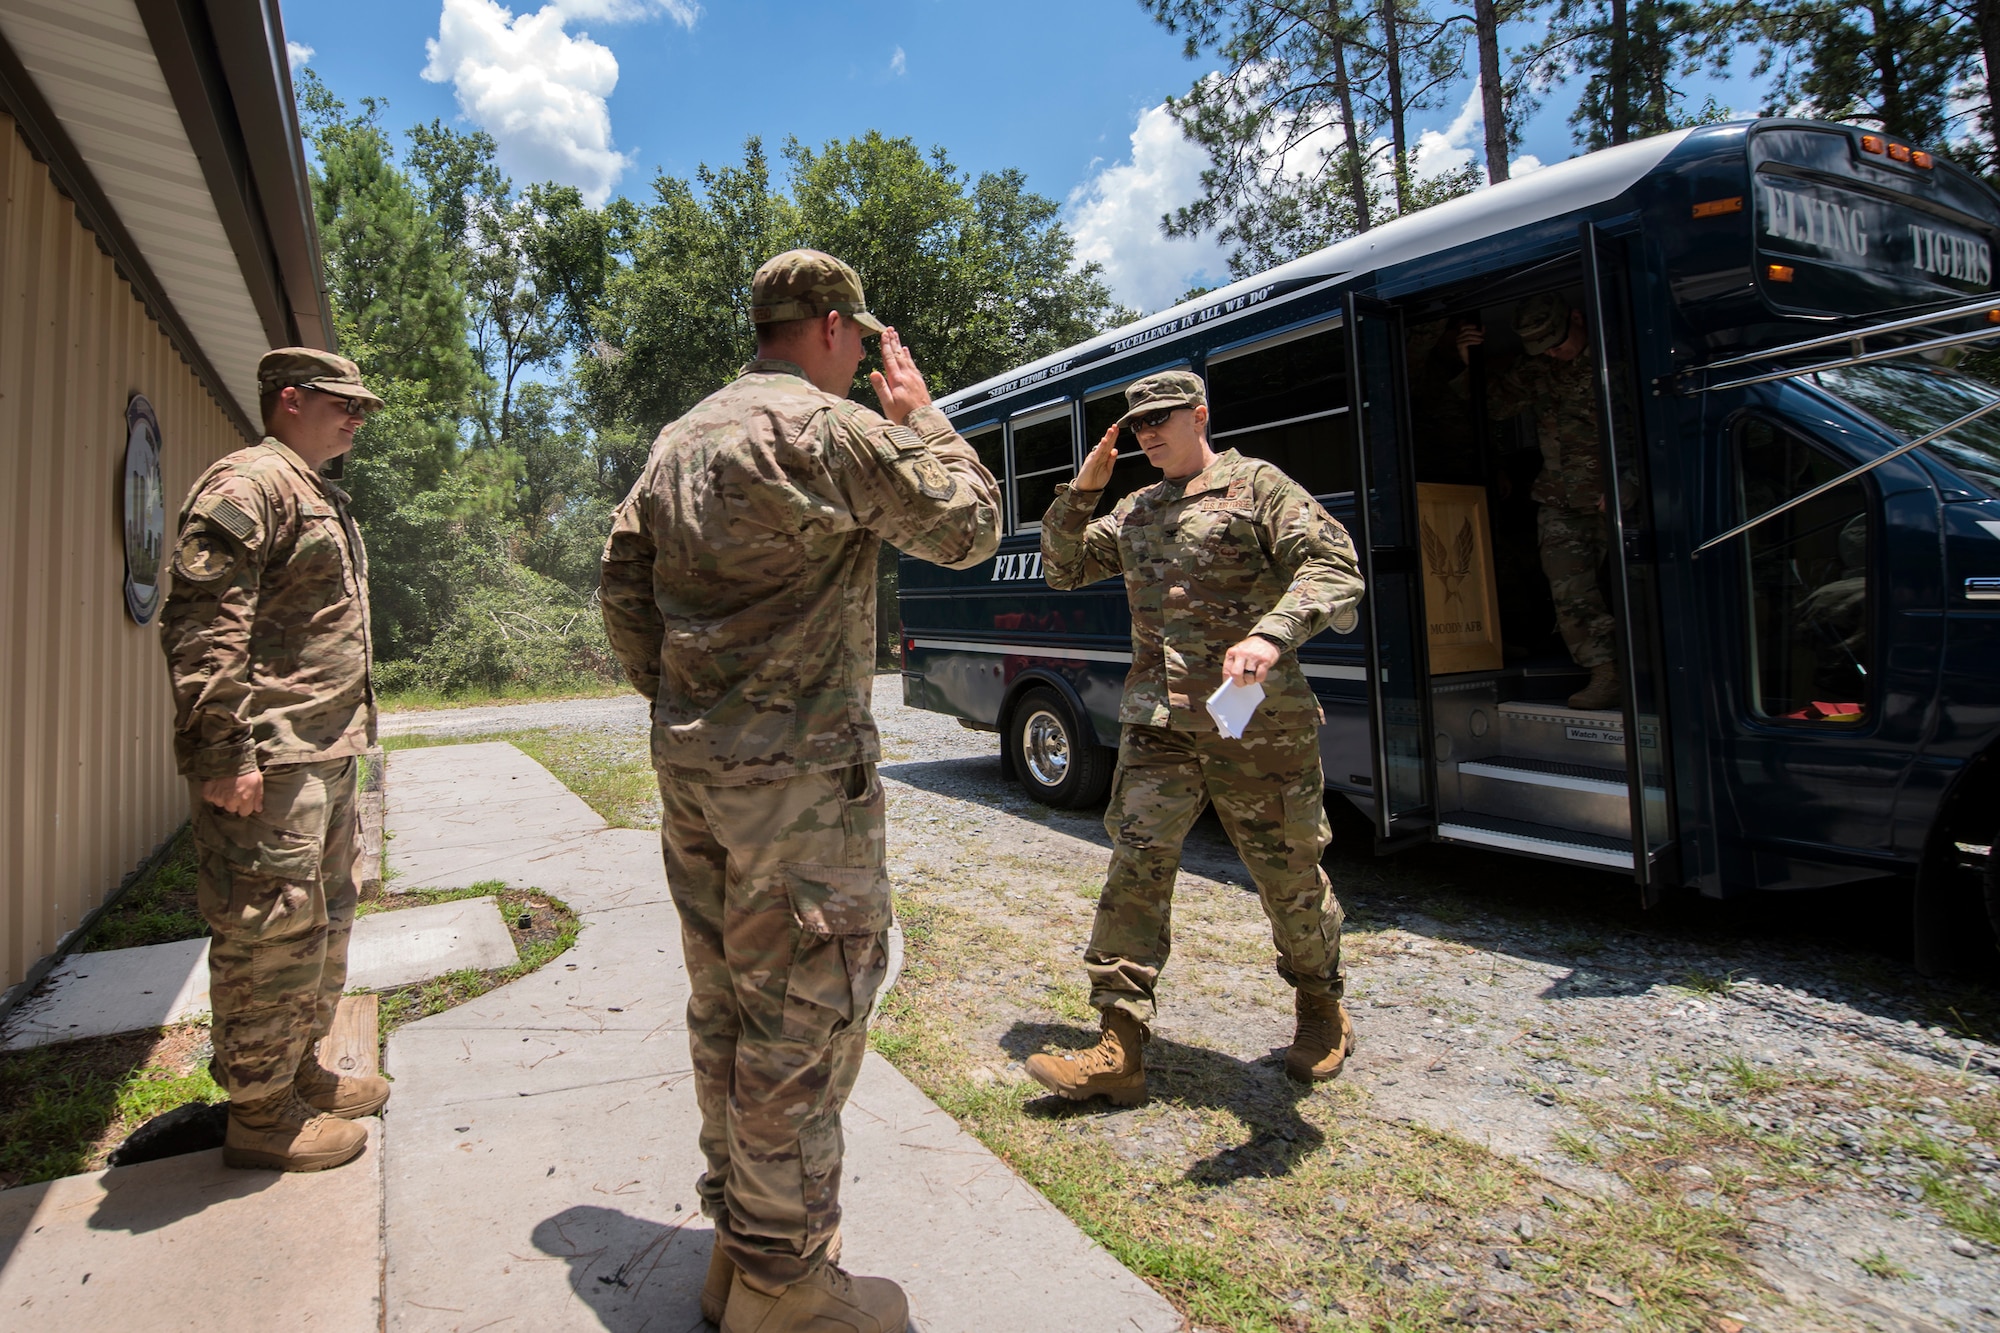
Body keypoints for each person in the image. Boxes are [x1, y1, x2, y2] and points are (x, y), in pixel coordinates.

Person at [599, 249, 999, 1333]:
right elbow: (968, 528)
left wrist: (693, 708)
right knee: (802, 1024)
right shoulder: (824, 431)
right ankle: (785, 1284)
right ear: (827, 324)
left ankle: (740, 1247)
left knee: (726, 1006)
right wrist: (924, 419)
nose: (865, 354)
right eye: (859, 336)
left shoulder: (677, 439)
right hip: (800, 792)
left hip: (696, 777)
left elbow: (623, 591)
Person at [1023, 371, 1366, 1106]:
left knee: (1288, 874)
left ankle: (1319, 1001)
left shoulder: (1257, 486)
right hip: (1161, 727)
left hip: (1258, 725)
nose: (1148, 432)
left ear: (1200, 414)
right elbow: (1062, 567)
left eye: (1163, 418)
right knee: (1135, 869)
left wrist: (1272, 634)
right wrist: (1081, 493)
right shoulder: (1137, 507)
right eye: (1138, 422)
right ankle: (1119, 1042)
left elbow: (1334, 565)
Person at [159, 348, 390, 1173]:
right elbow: (204, 624)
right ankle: (259, 1115)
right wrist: (224, 750)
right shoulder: (246, 484)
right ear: (289, 399)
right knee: (268, 930)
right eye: (343, 403)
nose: (357, 417)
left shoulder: (309, 488)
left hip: (321, 752)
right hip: (271, 758)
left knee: (318, 922)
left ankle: (295, 1073)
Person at [1455, 292, 1621, 710]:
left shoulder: (1619, 363)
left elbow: (1655, 425)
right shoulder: (1541, 368)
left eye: (1558, 342)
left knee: (1634, 586)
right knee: (1569, 587)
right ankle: (1606, 672)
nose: (1554, 352)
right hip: (1561, 498)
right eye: (1544, 347)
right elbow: (1494, 405)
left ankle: (1655, 668)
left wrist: (1629, 482)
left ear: (1579, 317)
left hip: (1620, 495)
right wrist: (1468, 361)